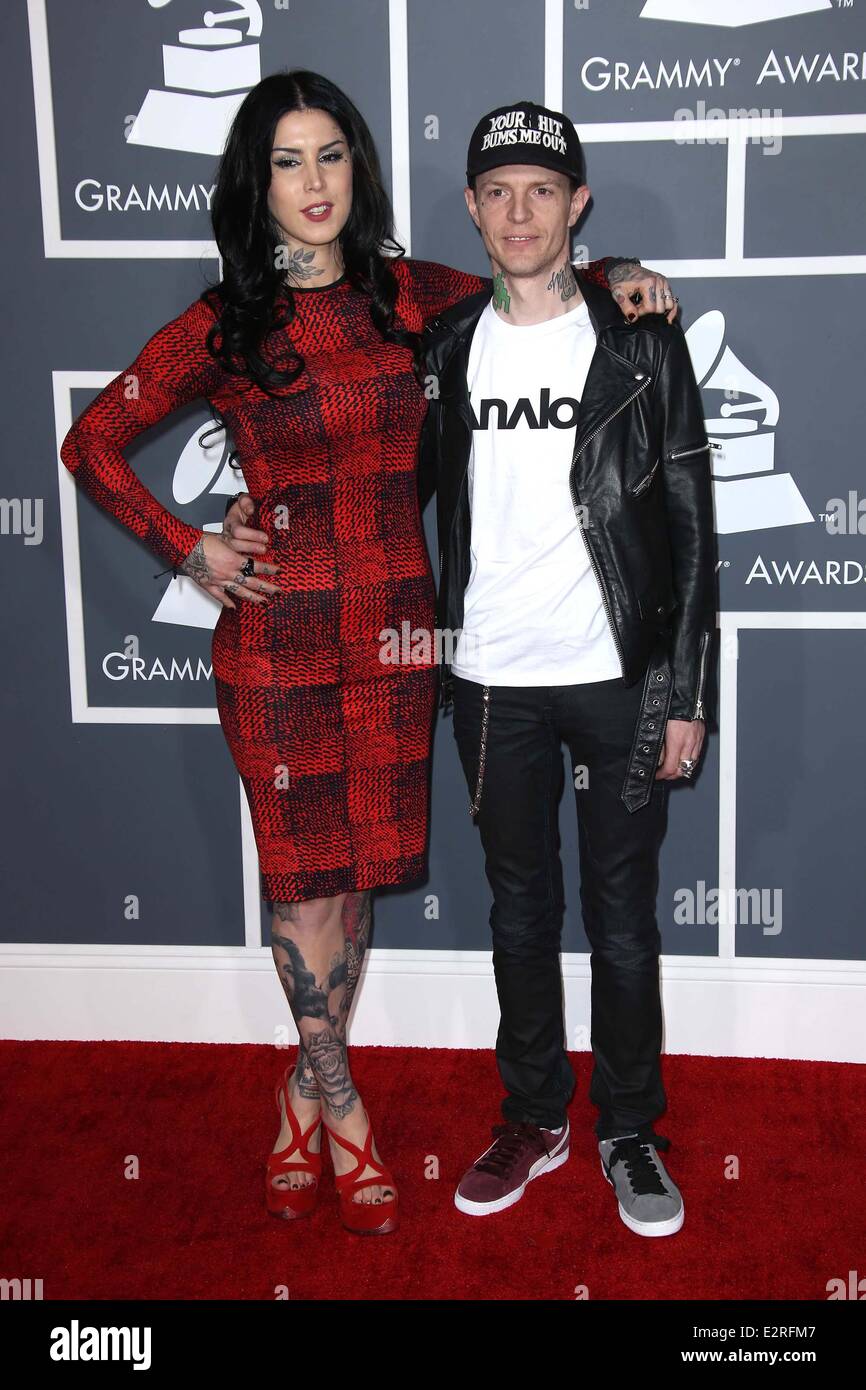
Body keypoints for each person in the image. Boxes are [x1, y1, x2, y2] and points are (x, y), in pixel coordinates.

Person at [60, 71, 679, 1236]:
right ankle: (340, 1104)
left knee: (353, 880)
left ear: (360, 170)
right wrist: (190, 546)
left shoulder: (409, 296)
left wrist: (617, 272)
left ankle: (299, 1080)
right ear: (257, 181)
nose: (313, 183)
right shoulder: (224, 322)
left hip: (397, 642)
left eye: (331, 156)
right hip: (280, 646)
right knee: (303, 883)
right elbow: (90, 441)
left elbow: (529, 277)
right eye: (287, 161)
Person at [412, 101, 717, 1236]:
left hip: (619, 680)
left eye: (543, 189)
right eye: (497, 191)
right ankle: (535, 1115)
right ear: (472, 210)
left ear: (577, 205)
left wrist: (685, 691)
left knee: (622, 916)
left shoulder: (637, 336)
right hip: (490, 681)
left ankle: (629, 1126)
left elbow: (689, 520)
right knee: (518, 909)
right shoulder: (443, 343)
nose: (519, 211)